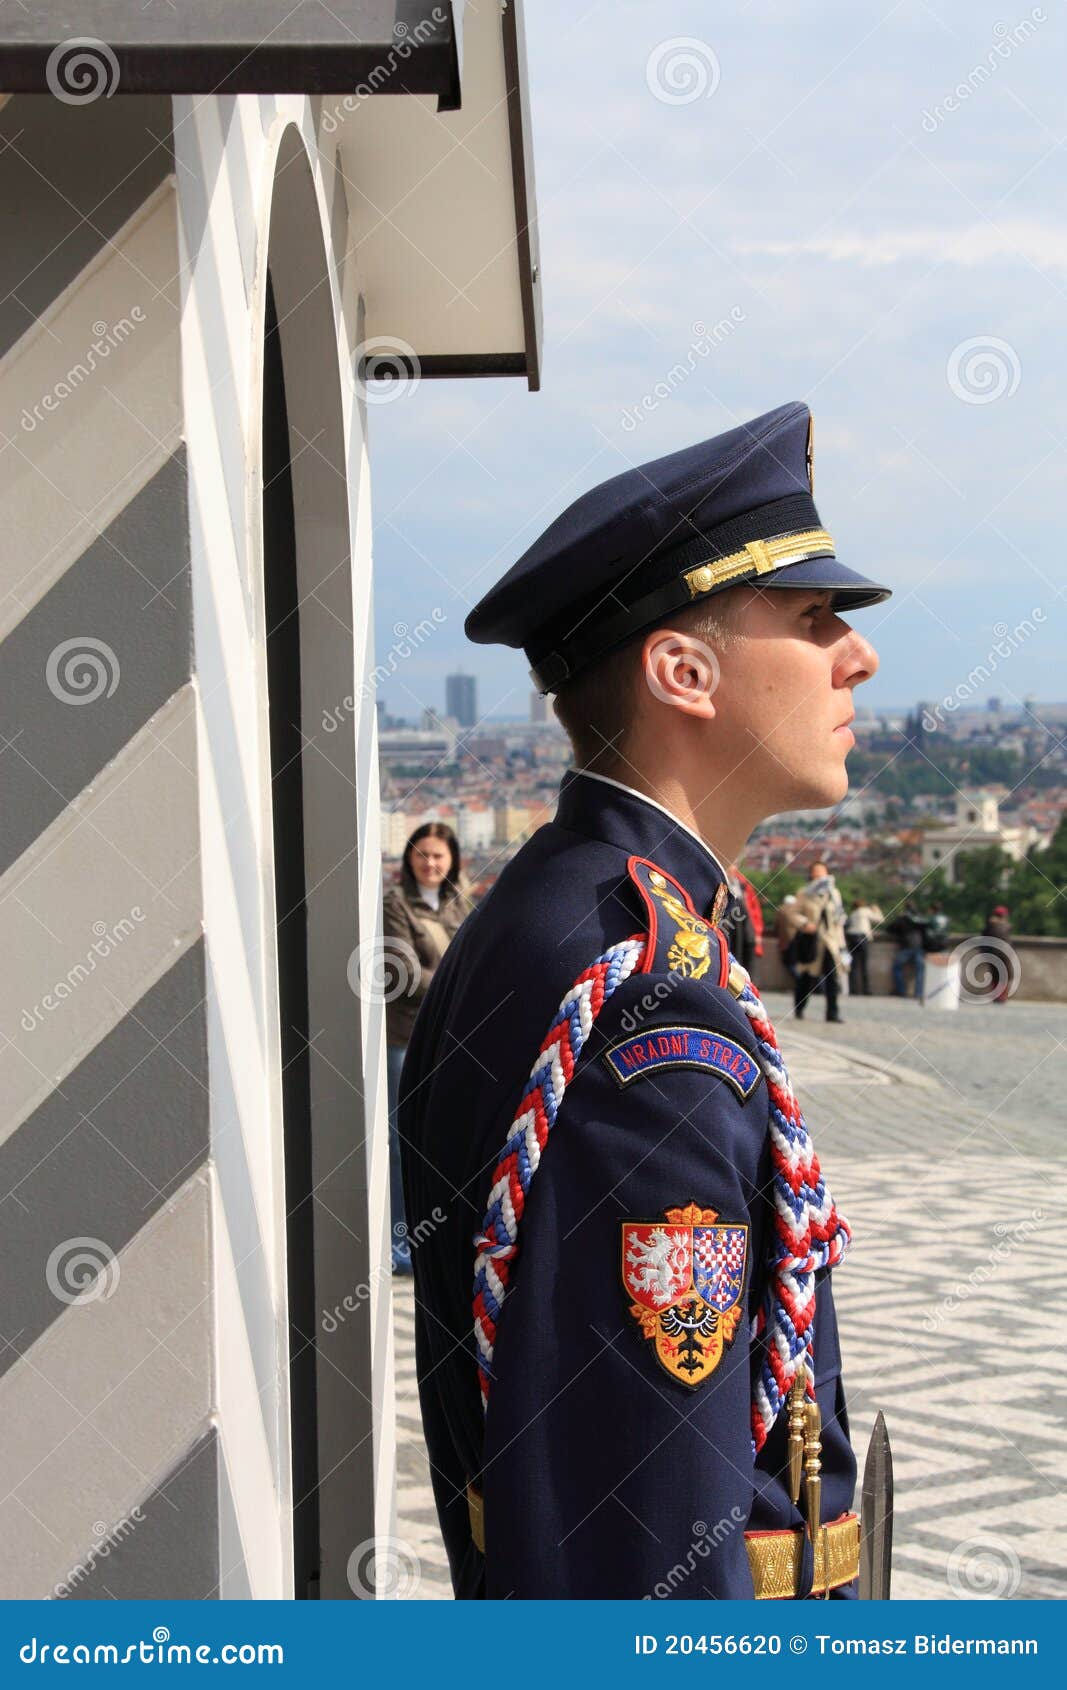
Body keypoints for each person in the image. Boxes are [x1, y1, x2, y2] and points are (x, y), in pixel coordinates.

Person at [398, 400, 890, 1599]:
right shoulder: (640, 1006)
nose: (857, 656)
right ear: (682, 671)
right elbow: (640, 1543)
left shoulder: (576, 910)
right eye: (814, 618)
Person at [382, 822, 473, 1271]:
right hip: (406, 1037)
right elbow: (402, 970)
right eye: (422, 854)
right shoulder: (394, 904)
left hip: (454, 1038)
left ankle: (439, 1241)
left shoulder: (462, 905)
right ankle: (402, 1246)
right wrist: (463, 987)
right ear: (408, 859)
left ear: (453, 859)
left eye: (438, 855)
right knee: (402, 1141)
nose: (430, 863)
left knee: (448, 1136)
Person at [789, 860, 849, 1023]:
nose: (819, 875)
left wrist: (842, 945)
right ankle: (799, 1007)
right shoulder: (804, 893)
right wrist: (804, 923)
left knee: (832, 976)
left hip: (830, 941)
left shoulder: (834, 894)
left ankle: (832, 1012)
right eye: (816, 872)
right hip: (812, 941)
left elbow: (839, 919)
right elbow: (792, 913)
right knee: (807, 977)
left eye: (822, 871)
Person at [844, 897, 883, 996]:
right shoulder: (865, 911)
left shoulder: (853, 913)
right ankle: (866, 989)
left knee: (853, 965)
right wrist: (876, 909)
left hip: (851, 938)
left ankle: (853, 989)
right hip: (862, 938)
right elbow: (880, 920)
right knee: (863, 965)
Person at [890, 902, 927, 1000]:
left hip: (906, 947)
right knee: (920, 970)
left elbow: (890, 928)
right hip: (918, 947)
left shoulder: (903, 918)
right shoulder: (920, 918)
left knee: (897, 967)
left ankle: (901, 991)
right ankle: (918, 993)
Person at [981, 903, 1014, 1003]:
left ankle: (997, 996)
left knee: (996, 975)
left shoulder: (989, 925)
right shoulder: (1005, 925)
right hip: (1004, 953)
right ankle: (1001, 996)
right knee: (1005, 975)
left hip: (992, 953)